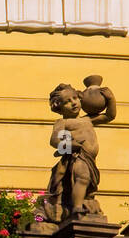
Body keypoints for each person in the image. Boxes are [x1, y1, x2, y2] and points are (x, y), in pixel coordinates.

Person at [41, 77, 116, 222]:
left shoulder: (88, 119)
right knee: (82, 178)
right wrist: (70, 145)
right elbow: (54, 141)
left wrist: (111, 99)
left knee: (86, 182)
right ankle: (76, 208)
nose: (73, 103)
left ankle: (80, 203)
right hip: (77, 156)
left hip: (90, 159)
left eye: (75, 98)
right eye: (67, 102)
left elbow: (109, 116)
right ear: (59, 107)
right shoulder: (63, 122)